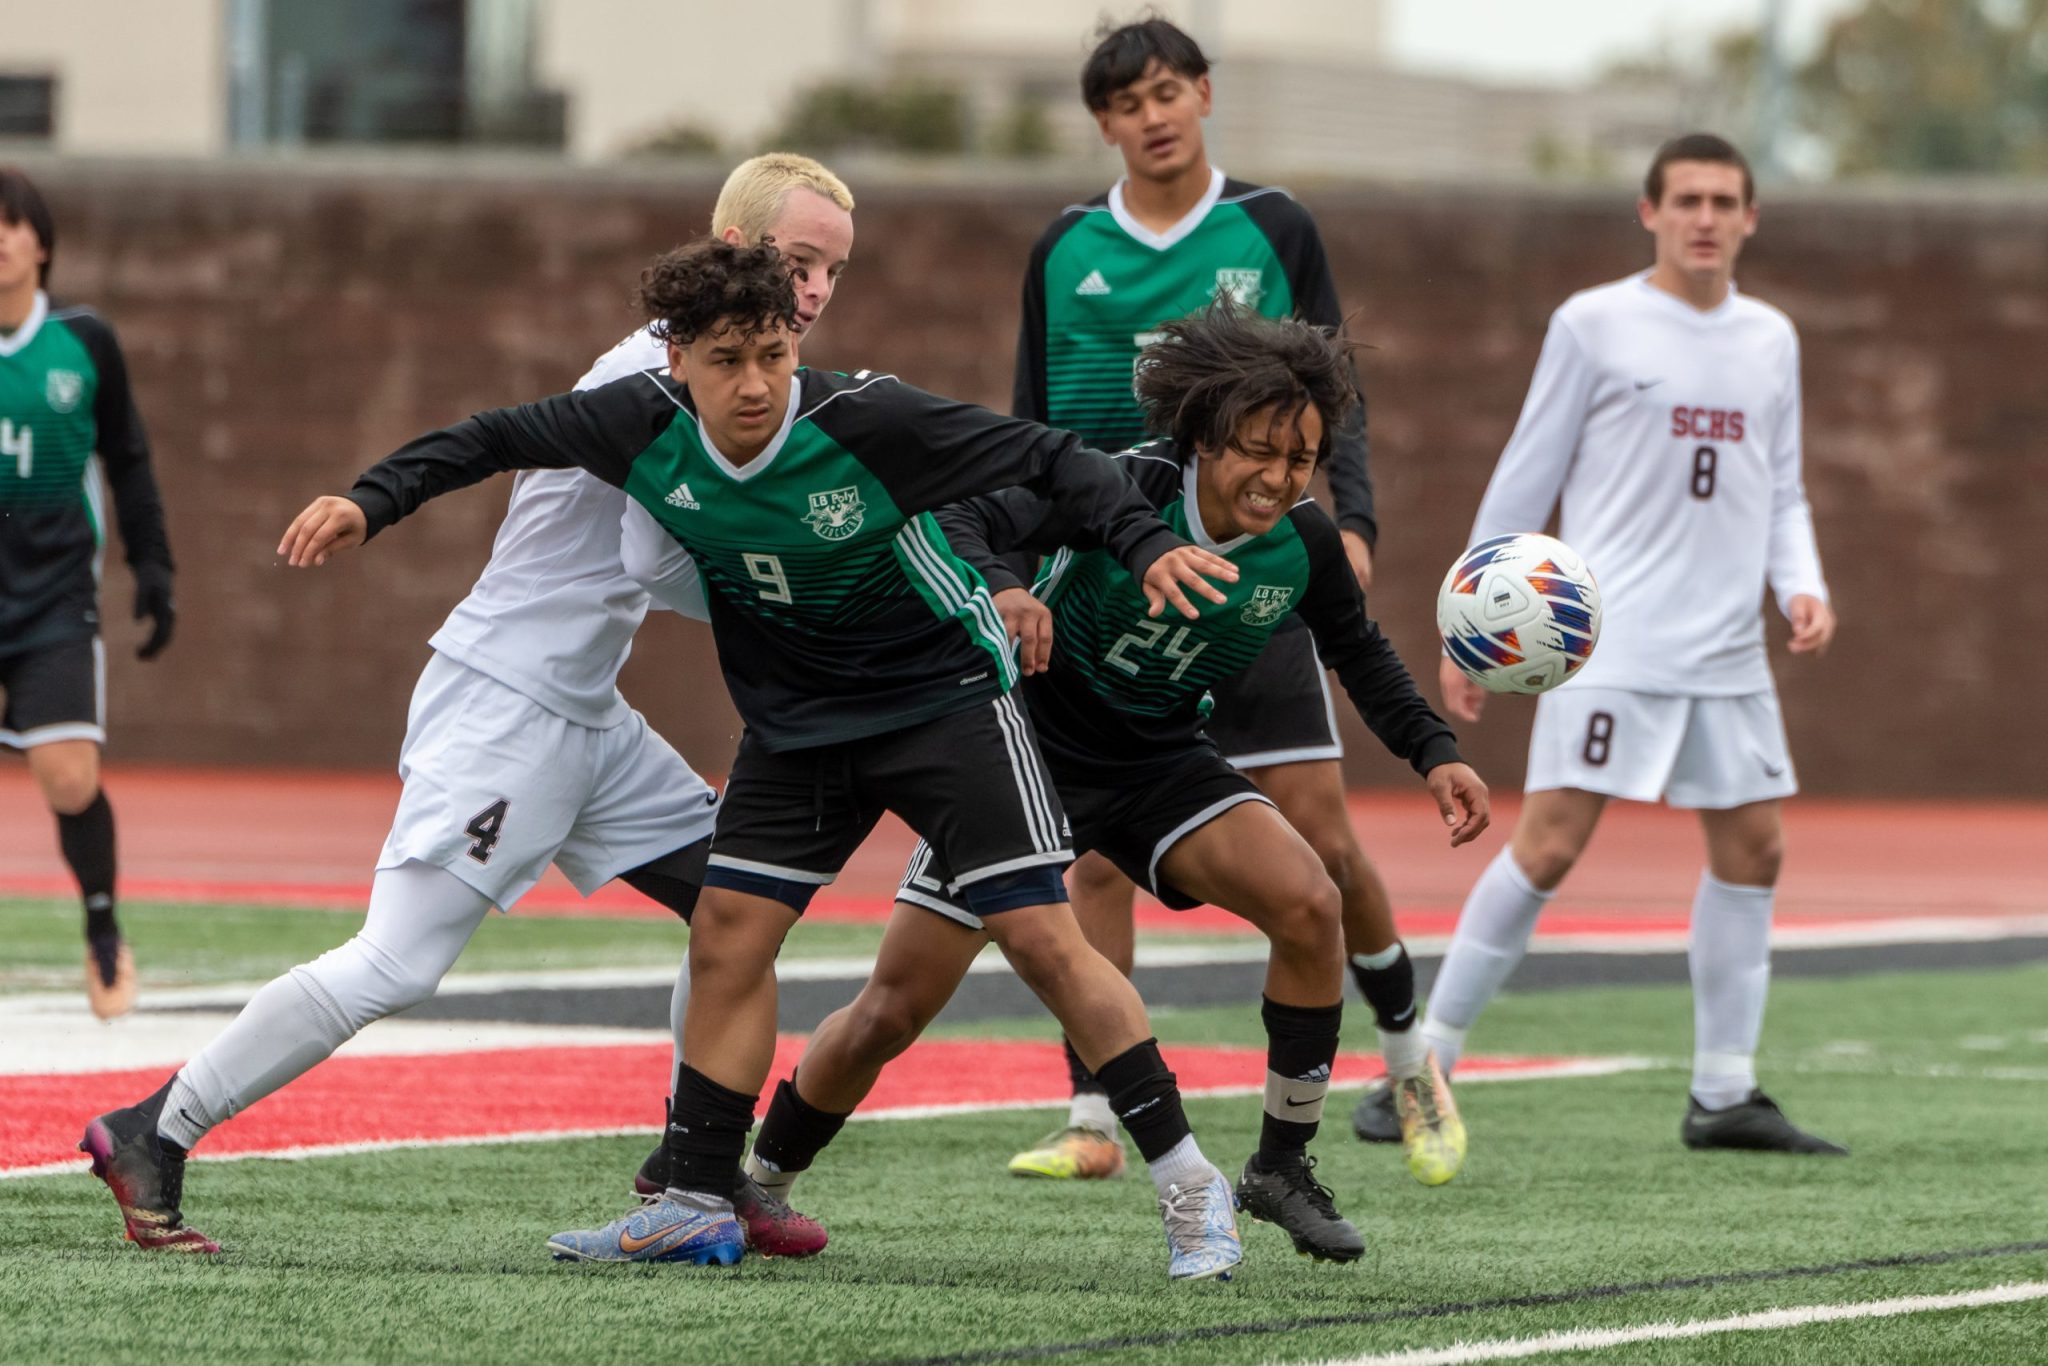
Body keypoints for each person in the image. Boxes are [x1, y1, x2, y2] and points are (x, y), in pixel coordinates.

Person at [270, 238, 1249, 1279]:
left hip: (942, 704)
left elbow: (1054, 458)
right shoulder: (637, 421)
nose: (754, 384)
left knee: (1042, 941)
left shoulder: (870, 421)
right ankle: (695, 1198)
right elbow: (492, 436)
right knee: (726, 936)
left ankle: (1190, 1184)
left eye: (774, 355)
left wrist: (1144, 542)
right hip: (797, 729)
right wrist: (372, 499)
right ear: (676, 359)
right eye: (727, 360)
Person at [77, 155, 856, 1256]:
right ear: (732, 246)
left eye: (832, 271)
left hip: (585, 712)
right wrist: (808, 594)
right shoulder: (661, 373)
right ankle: (154, 1127)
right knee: (397, 962)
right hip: (509, 707)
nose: (814, 289)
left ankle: (694, 1166)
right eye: (798, 260)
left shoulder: (737, 369)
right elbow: (652, 553)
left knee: (737, 913)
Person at [735, 305, 1489, 1264]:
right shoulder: (1118, 486)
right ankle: (763, 1179)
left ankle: (1280, 1168)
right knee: (891, 1008)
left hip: (1157, 761)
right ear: (1203, 438)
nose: (1279, 477)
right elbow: (960, 515)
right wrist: (1005, 587)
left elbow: (1361, 652)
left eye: (1300, 459)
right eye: (1259, 451)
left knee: (1310, 903)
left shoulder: (1303, 543)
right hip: (1022, 756)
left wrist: (1436, 752)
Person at [1007, 17, 1455, 1185]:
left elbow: (1331, 390)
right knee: (1093, 862)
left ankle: (1409, 1059)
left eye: (1167, 91)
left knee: (1318, 836)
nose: (1151, 116)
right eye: (1126, 102)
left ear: (1203, 95)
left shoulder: (1273, 225)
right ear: (1101, 122)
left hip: (1246, 569)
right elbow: (1028, 425)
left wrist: (1350, 524)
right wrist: (1020, 566)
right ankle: (1092, 1115)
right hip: (1112, 586)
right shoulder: (1063, 247)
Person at [1418, 134, 1845, 1156]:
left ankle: (1723, 1091)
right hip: (1608, 642)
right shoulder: (1593, 323)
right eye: (1686, 199)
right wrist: (1468, 626)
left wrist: (1802, 584)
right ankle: (1422, 1064)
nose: (1705, 217)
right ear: (1649, 212)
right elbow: (1526, 475)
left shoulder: (1770, 338)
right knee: (1550, 842)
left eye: (1724, 201)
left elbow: (1780, 487)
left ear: (1750, 219)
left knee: (1755, 848)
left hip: (1726, 652)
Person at [0, 167, 174, 1022]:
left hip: (53, 596)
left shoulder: (84, 341)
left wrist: (155, 569)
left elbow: (128, 462)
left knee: (69, 777)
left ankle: (103, 929)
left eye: (9, 224)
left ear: (41, 242)